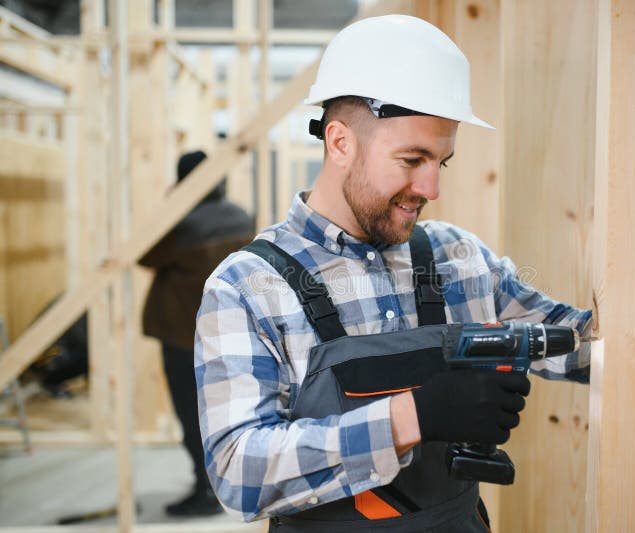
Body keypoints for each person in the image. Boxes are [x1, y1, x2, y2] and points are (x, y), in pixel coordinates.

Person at [195, 15, 592, 531]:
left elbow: (573, 344)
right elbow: (237, 473)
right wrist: (410, 418)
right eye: (412, 159)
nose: (431, 188)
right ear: (340, 143)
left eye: (441, 163)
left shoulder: (459, 258)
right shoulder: (247, 287)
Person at [139, 150, 254, 517]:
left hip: (181, 335)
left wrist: (172, 204)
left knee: (190, 413)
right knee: (225, 410)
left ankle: (206, 490)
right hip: (226, 332)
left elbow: (145, 254)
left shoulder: (183, 223)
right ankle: (227, 483)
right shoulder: (240, 215)